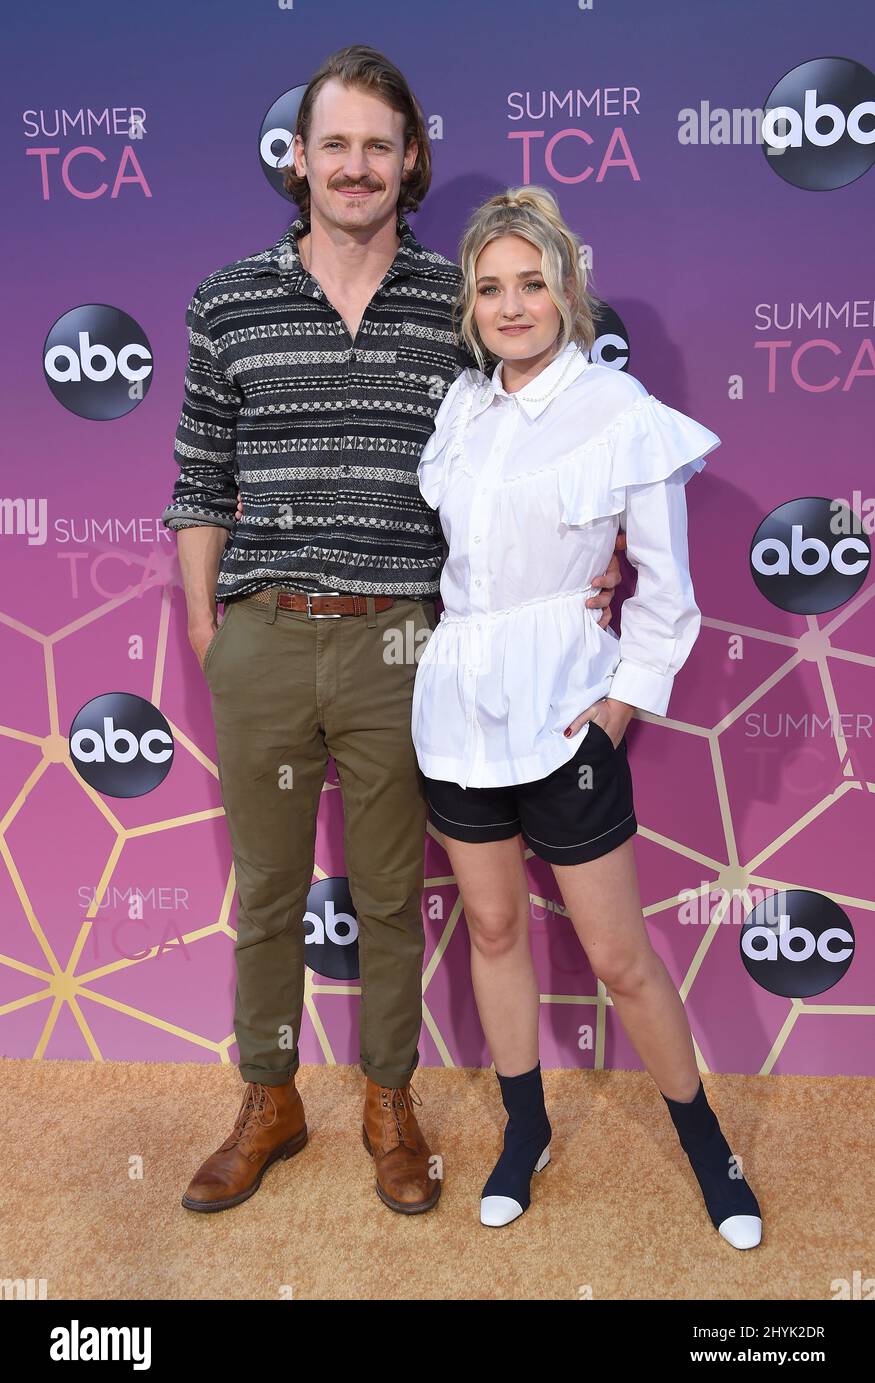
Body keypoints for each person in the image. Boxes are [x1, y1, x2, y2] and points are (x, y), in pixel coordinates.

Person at [162, 47, 623, 1216]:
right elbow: (197, 480)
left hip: (406, 646)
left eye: (379, 144)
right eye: (334, 145)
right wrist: (209, 635)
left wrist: (611, 543)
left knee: (385, 894)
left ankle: (387, 1100)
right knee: (267, 893)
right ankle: (268, 1095)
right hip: (262, 634)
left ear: (410, 157)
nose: (355, 166)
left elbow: (557, 396)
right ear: (299, 159)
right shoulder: (227, 301)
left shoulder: (454, 300)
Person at [411, 186, 763, 1249]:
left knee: (617, 956)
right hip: (457, 719)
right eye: (489, 288)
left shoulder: (619, 414)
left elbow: (664, 592)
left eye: (531, 282)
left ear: (567, 292)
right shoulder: (459, 412)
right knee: (490, 926)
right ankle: (525, 1131)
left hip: (568, 720)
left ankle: (709, 1146)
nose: (510, 306)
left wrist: (611, 717)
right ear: (470, 306)